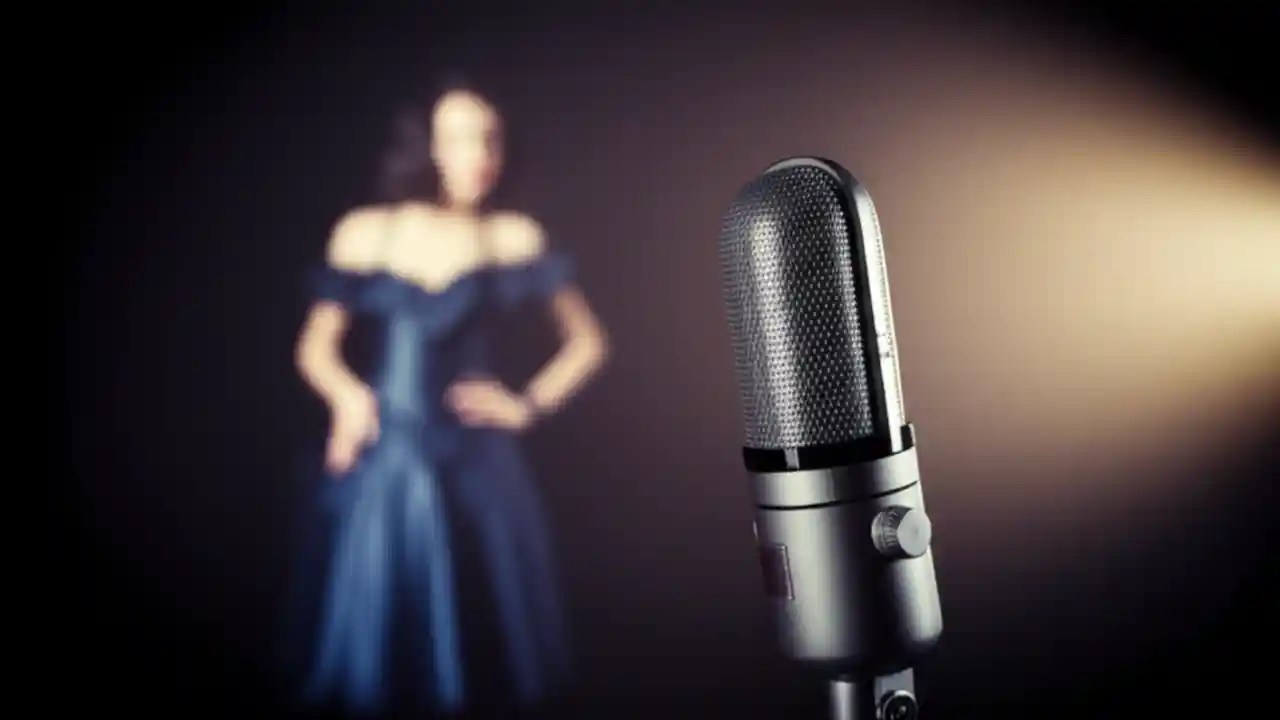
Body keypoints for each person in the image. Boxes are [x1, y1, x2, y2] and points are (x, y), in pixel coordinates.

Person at [289, 84, 608, 715]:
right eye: (461, 136)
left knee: (488, 647)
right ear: (427, 147)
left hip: (481, 465)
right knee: (379, 650)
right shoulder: (367, 231)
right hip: (391, 460)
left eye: (491, 137)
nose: (480, 153)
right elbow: (315, 350)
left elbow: (589, 344)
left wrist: (527, 405)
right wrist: (349, 399)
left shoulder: (512, 235)